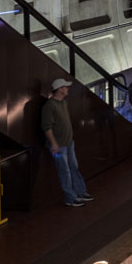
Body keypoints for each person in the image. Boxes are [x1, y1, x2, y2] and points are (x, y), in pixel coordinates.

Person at [42, 78, 92, 207]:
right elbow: (46, 127)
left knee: (72, 168)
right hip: (59, 145)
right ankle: (70, 197)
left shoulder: (63, 103)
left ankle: (80, 193)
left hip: (68, 142)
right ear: (59, 89)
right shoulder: (50, 106)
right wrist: (54, 143)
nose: (67, 89)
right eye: (65, 87)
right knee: (65, 171)